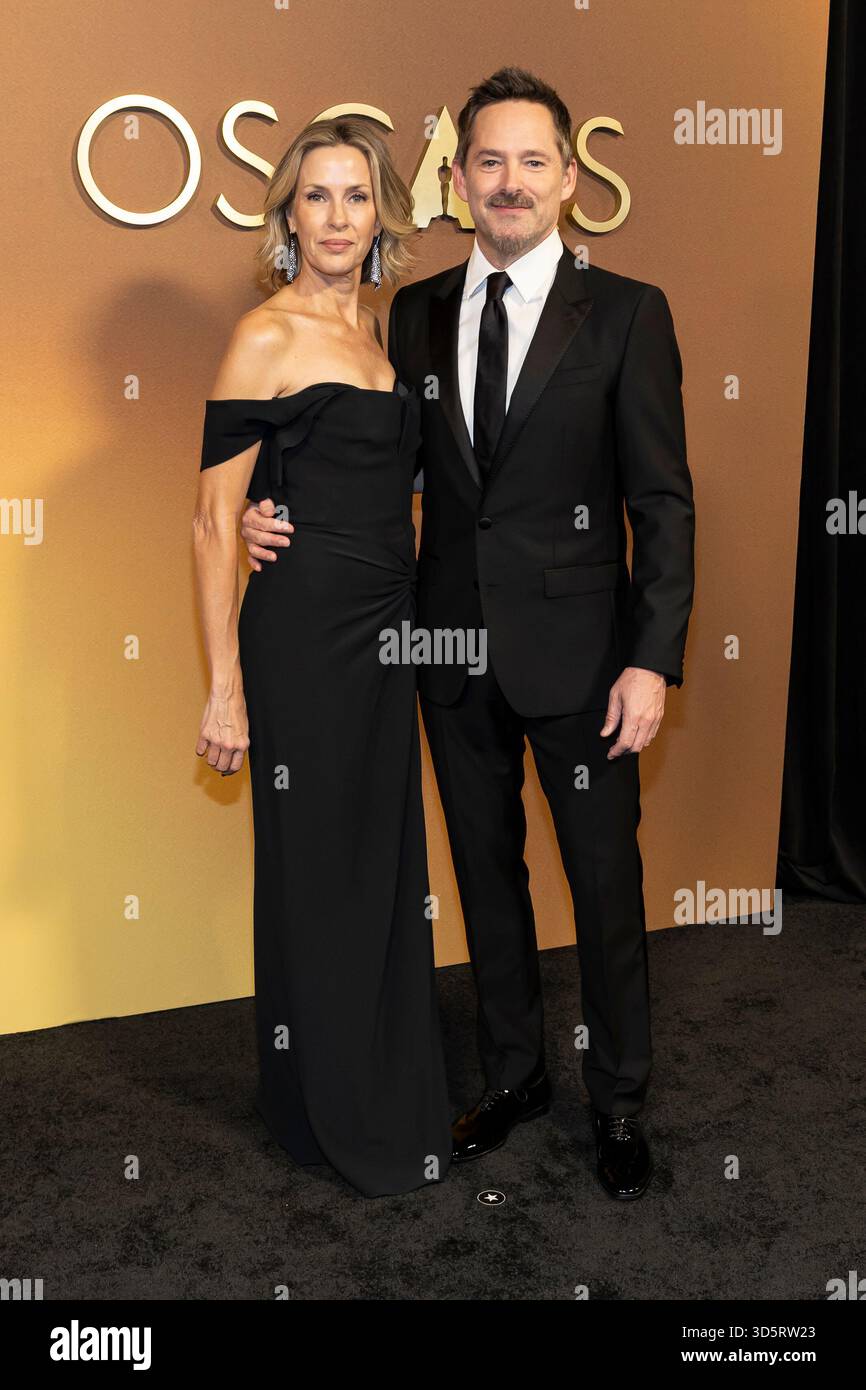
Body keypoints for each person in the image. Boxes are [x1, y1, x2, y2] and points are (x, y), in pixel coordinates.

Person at [240, 69, 696, 1201]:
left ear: (568, 179)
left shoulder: (627, 310)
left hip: (586, 664)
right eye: (485, 161)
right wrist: (270, 505)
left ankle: (619, 1102)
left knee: (602, 891)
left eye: (530, 161)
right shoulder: (418, 311)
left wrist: (650, 658)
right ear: (458, 178)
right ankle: (512, 1076)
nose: (507, 182)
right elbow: (375, 466)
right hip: (446, 654)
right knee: (486, 884)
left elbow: (662, 504)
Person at [192, 116, 452, 1199]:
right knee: (316, 863)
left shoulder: (384, 341)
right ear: (287, 214)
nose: (337, 217)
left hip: (386, 633)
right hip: (301, 633)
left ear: (380, 213)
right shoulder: (265, 333)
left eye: (356, 196)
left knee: (378, 858)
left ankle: (361, 1085)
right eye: (317, 197)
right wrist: (224, 688)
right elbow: (213, 522)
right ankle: (325, 1103)